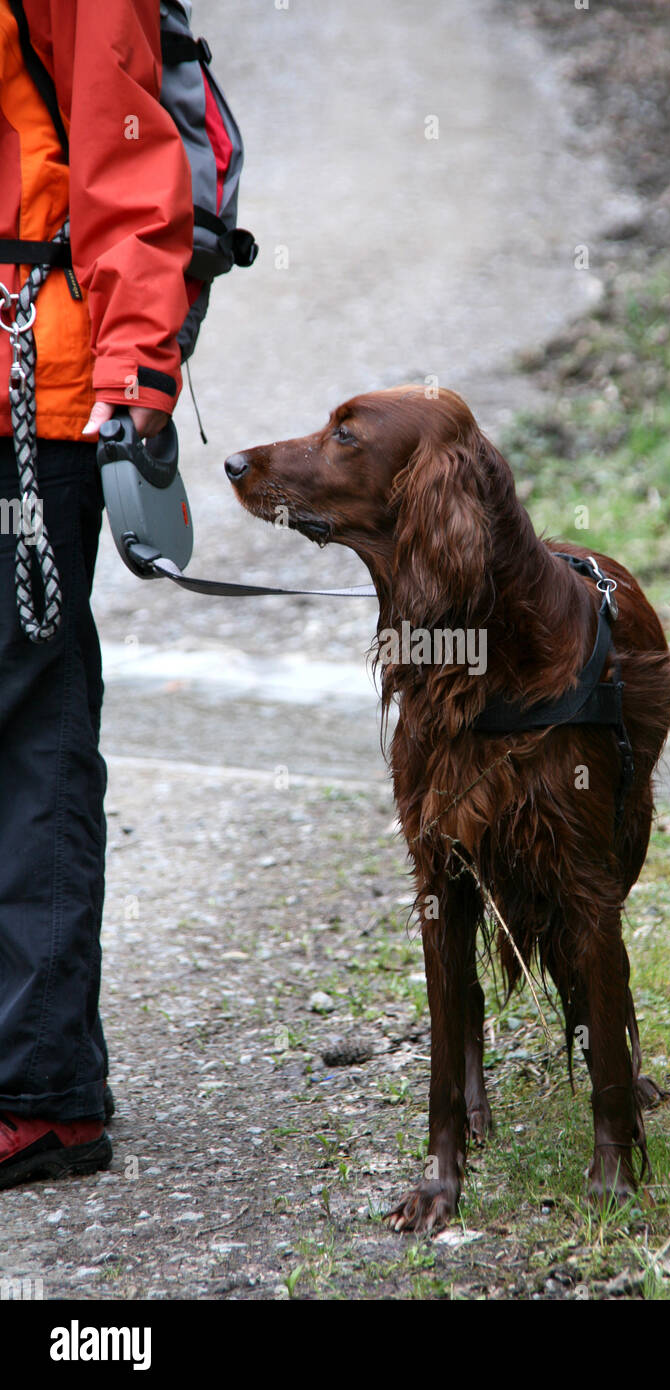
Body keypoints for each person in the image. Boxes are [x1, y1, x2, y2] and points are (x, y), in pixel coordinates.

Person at [0, 0, 192, 1188]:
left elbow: (126, 145)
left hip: (34, 397)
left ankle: (40, 1090)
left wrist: (135, 377)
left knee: (28, 723)